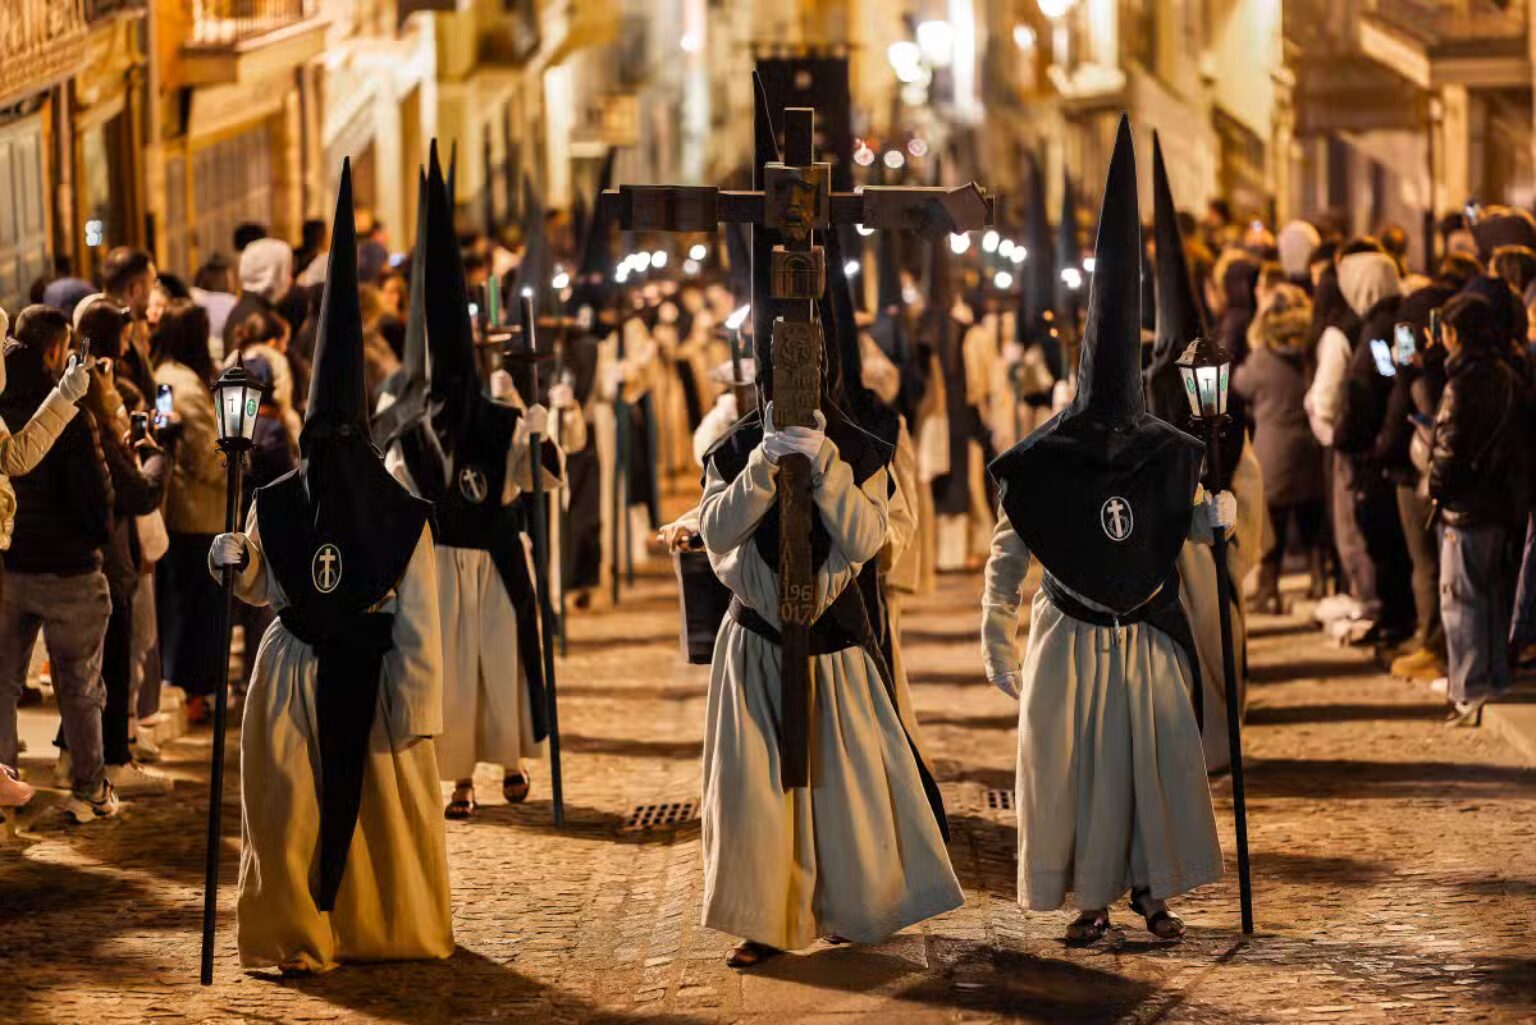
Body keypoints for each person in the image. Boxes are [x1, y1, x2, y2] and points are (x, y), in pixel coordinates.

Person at [983, 120, 1231, 944]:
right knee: (1083, 777)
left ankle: (1153, 891)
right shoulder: (1050, 460)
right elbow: (1013, 546)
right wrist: (998, 634)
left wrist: (1209, 517)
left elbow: (1168, 526)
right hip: (1074, 637)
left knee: (1151, 770)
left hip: (1145, 635)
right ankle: (1091, 898)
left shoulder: (1162, 450)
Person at [207, 161, 452, 973]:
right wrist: (230, 556)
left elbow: (420, 616)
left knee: (359, 813)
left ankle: (375, 928)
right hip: (307, 669)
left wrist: (416, 704)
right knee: (287, 813)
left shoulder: (393, 514)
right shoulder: (282, 501)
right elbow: (257, 580)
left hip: (354, 677)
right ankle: (299, 930)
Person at [379, 147, 560, 817]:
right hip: (439, 566)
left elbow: (537, 480)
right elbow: (396, 502)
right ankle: (459, 779)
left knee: (501, 665)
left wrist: (542, 432)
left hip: (495, 558)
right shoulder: (408, 432)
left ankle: (509, 760)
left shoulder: (501, 420)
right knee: (451, 675)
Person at [0, 306, 117, 823]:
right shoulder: (77, 421)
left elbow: (18, 458)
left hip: (13, 563)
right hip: (68, 568)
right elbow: (97, 500)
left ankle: (3, 777)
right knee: (80, 684)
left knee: (3, 681)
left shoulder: (4, 402)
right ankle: (89, 788)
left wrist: (68, 393)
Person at [65, 299, 173, 797]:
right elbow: (135, 491)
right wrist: (157, 456)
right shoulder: (94, 421)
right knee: (102, 663)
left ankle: (82, 755)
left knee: (84, 666)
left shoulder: (70, 409)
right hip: (106, 556)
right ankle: (109, 760)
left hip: (81, 557)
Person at [1429, 294, 1533, 724]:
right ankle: (1494, 678)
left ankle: (1470, 686)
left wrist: (1436, 487)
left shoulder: (1462, 383)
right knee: (1491, 597)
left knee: (1462, 600)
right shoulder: (1510, 376)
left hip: (1466, 506)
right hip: (1501, 504)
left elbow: (1449, 449)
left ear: (1456, 334)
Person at [153, 301, 228, 724]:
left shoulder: (164, 378)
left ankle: (185, 689)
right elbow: (204, 453)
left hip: (180, 512)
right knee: (199, 610)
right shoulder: (186, 385)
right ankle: (193, 692)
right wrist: (238, 464)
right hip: (200, 513)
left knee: (183, 605)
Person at [1235, 284, 1324, 611]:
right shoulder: (1309, 355)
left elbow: (1239, 384)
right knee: (1313, 523)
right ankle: (1319, 582)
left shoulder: (1261, 358)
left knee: (1273, 528)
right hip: (1310, 448)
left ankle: (1269, 591)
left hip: (1273, 452)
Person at [225, 238, 294, 354]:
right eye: (286, 271)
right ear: (272, 274)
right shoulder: (259, 320)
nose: (290, 280)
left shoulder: (245, 308)